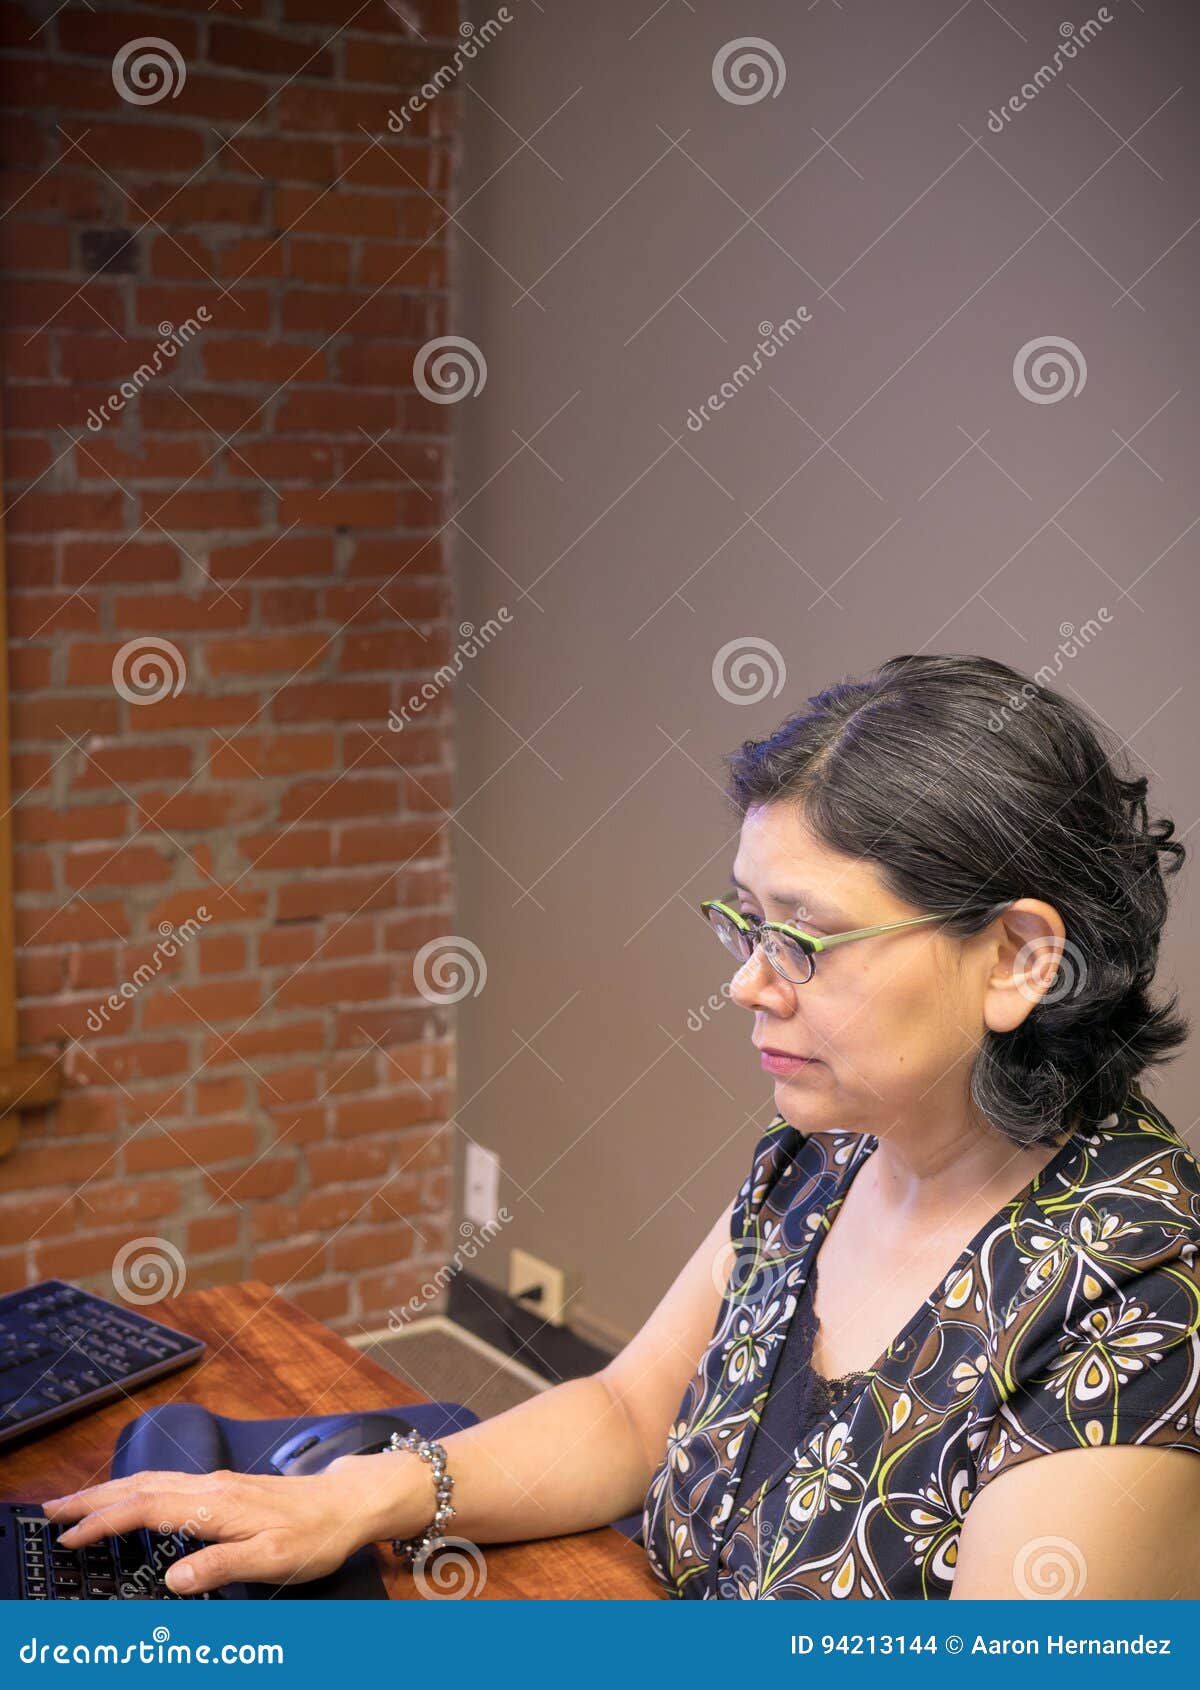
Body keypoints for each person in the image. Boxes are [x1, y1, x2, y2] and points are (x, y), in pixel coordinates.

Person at [43, 653, 1200, 1599]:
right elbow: (631, 1410)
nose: (751, 981)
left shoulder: (1146, 1296)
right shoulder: (829, 1154)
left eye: (803, 934)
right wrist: (368, 1492)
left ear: (1017, 958)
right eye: (744, 923)